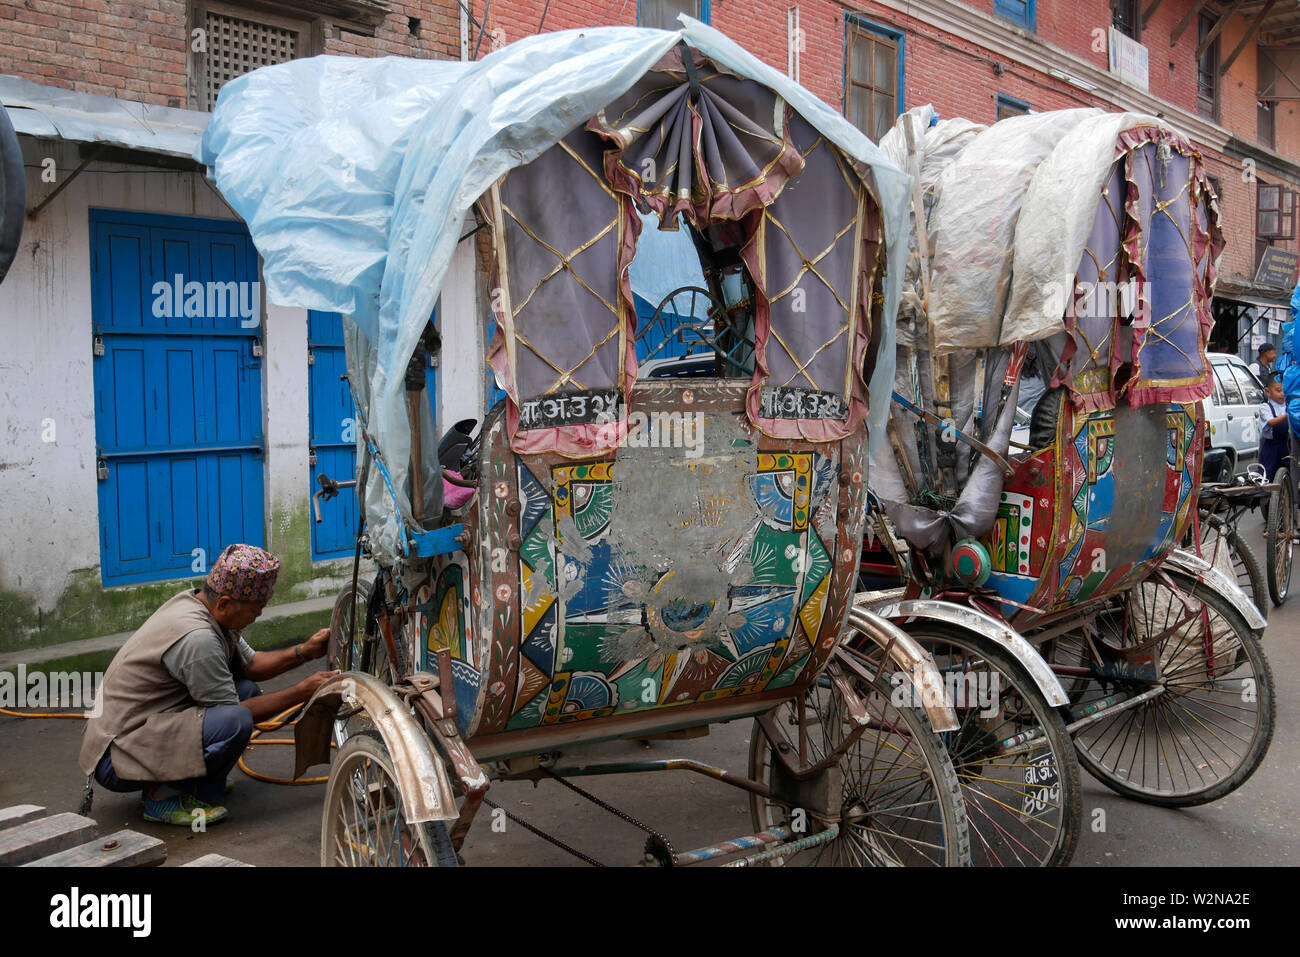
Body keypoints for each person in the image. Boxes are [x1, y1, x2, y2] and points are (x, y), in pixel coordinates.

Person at [78, 544, 338, 826]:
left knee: (245, 690)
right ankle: (163, 796)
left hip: (142, 730)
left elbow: (250, 666)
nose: (259, 615)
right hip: (117, 755)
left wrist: (304, 651)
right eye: (256, 608)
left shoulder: (201, 605)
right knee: (236, 720)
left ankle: (197, 784)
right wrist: (303, 690)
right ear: (225, 603)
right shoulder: (198, 637)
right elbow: (236, 713)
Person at [1258, 373, 1289, 483]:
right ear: (1268, 391)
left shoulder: (1289, 405)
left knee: (1289, 476)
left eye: (1285, 390)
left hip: (1287, 447)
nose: (1282, 394)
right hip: (1270, 449)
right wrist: (1288, 415)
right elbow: (1271, 422)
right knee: (1266, 478)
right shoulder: (1265, 407)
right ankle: (1266, 500)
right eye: (1279, 390)